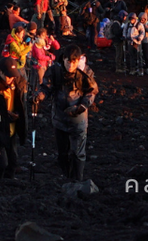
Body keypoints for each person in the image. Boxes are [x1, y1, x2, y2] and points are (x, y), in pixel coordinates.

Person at [47, 45, 99, 194]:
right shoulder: (55, 71)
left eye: (74, 62)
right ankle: (67, 177)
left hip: (78, 118)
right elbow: (47, 86)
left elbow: (92, 91)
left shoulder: (85, 73)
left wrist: (82, 106)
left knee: (78, 152)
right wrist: (40, 95)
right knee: (62, 152)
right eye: (68, 61)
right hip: (59, 117)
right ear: (63, 59)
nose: (71, 65)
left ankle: (78, 179)